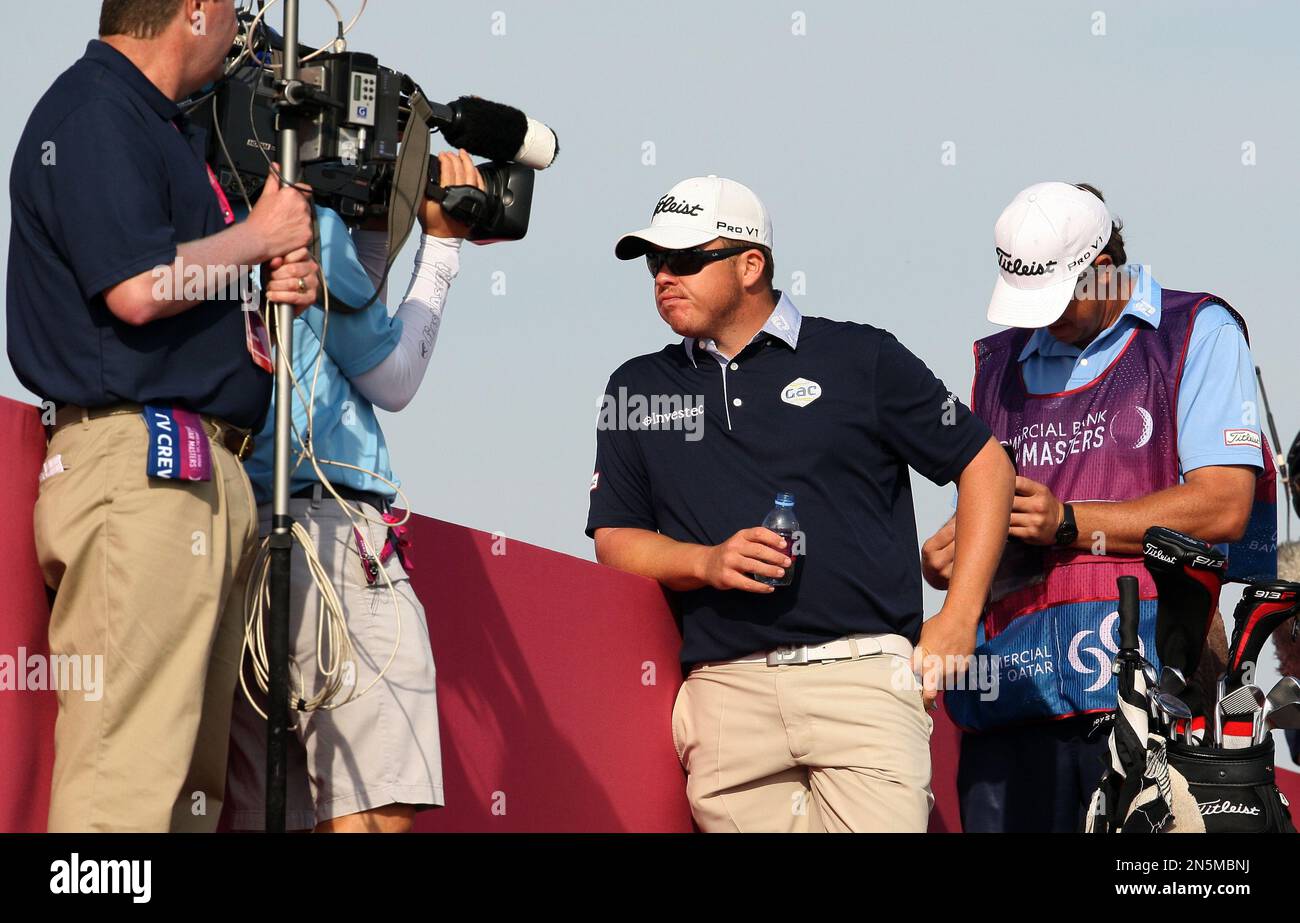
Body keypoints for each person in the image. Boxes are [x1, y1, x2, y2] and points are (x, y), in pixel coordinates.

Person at [586, 175, 1013, 832]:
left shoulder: (861, 356)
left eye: (685, 259)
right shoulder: (634, 385)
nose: (663, 277)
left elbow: (984, 462)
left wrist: (958, 618)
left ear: (750, 264)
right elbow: (615, 537)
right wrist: (706, 562)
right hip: (723, 695)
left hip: (862, 674)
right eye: (654, 263)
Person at [6, 0, 318, 831]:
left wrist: (267, 278)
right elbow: (140, 288)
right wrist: (256, 238)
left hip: (193, 471)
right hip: (140, 466)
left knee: (183, 791)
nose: (243, 30)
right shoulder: (94, 108)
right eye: (237, 12)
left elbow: (177, 283)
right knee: (126, 781)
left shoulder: (162, 125)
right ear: (196, 9)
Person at [922, 181, 1276, 832]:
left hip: (1150, 694)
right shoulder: (994, 362)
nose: (1036, 318)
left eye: (1054, 299)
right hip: (1010, 703)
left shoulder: (1194, 329)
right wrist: (958, 546)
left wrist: (1070, 522)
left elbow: (1225, 503)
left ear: (1105, 272)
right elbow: (992, 518)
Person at [223, 151, 484, 832]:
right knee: (373, 801)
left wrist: (375, 221)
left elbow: (336, 320)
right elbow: (393, 377)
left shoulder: (214, 207)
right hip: (329, 534)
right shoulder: (304, 222)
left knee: (272, 810)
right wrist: (444, 248)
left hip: (231, 526)